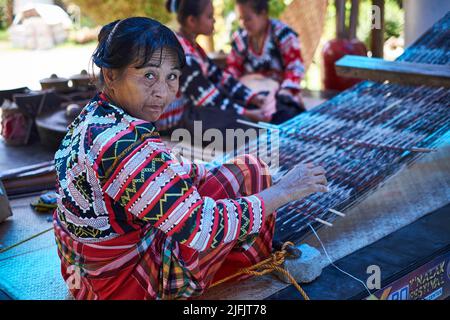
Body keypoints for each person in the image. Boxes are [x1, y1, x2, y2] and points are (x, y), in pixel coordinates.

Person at [53, 17, 328, 300]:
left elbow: (164, 171)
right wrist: (285, 191)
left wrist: (210, 171)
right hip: (122, 287)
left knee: (236, 170)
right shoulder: (123, 145)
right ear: (111, 75)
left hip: (83, 277)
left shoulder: (94, 118)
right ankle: (244, 265)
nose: (163, 91)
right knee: (253, 175)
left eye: (171, 76)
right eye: (148, 75)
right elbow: (200, 228)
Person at [156, 0, 274, 138]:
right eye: (210, 16)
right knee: (245, 129)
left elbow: (220, 77)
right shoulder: (182, 54)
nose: (214, 21)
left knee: (241, 107)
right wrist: (248, 114)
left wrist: (253, 98)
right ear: (192, 21)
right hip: (175, 120)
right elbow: (208, 99)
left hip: (192, 107)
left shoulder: (193, 47)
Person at [226, 0, 306, 124]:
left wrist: (286, 91)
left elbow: (295, 67)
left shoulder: (283, 34)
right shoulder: (240, 39)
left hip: (280, 95)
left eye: (248, 19)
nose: (243, 24)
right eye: (240, 19)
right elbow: (232, 69)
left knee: (284, 117)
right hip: (251, 96)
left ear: (263, 14)